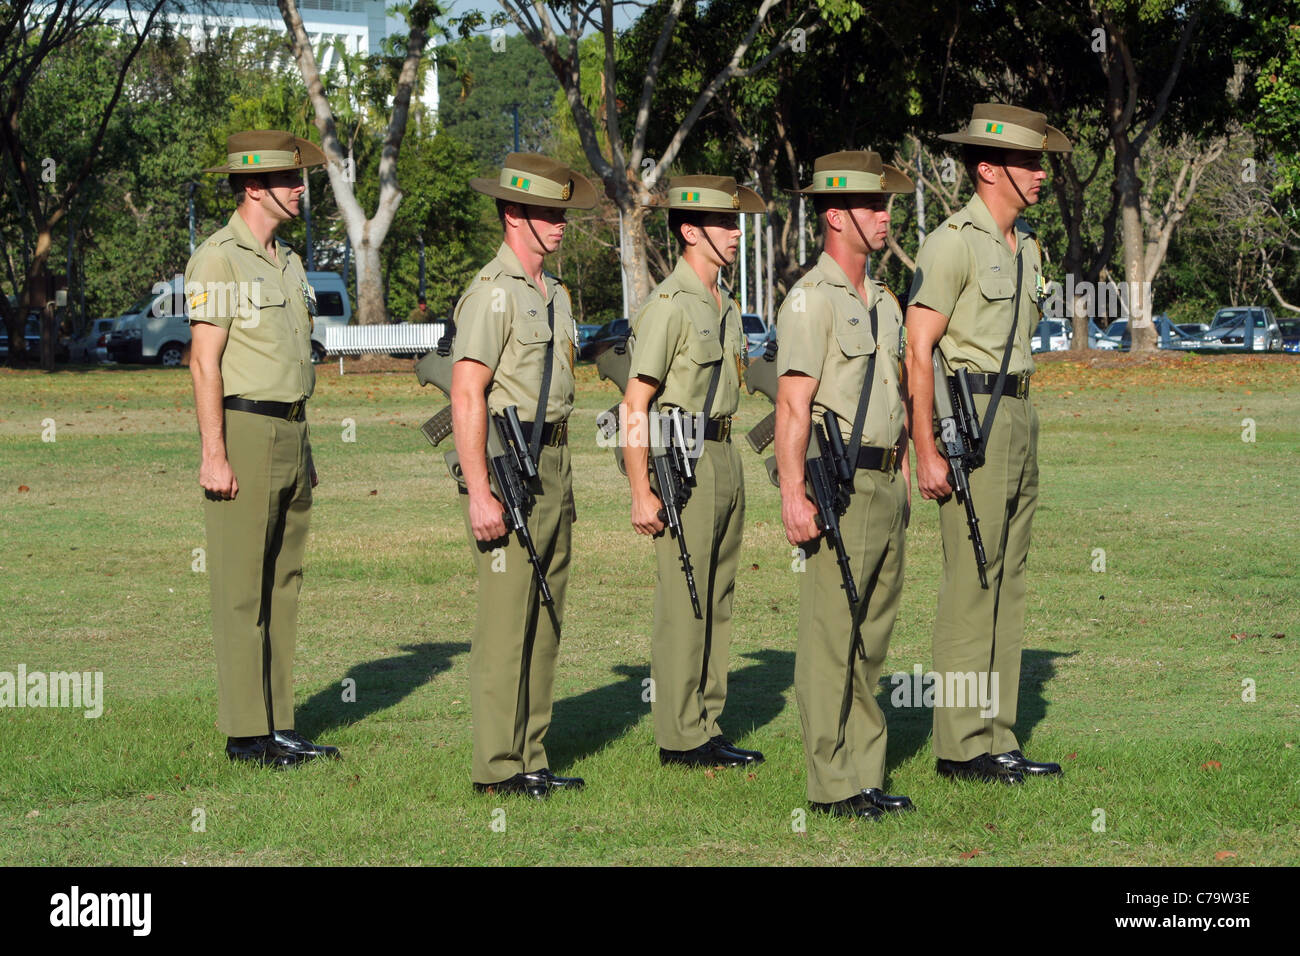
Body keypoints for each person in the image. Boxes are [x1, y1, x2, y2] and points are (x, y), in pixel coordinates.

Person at [905, 104, 1070, 784]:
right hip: (968, 418)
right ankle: (961, 744)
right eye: (1029, 163)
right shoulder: (952, 242)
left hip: (1019, 417)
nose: (1040, 175)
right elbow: (917, 349)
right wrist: (925, 447)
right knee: (972, 580)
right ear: (988, 167)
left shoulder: (1027, 246)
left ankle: (997, 736)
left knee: (1009, 581)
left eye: (1040, 162)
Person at [187, 129, 339, 767]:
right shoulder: (219, 258)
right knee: (241, 586)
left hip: (292, 428)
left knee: (283, 581)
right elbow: (203, 363)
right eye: (289, 180)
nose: (301, 189)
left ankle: (278, 722)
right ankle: (247, 733)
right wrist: (214, 453)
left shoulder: (289, 261)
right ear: (255, 187)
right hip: (245, 430)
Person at [774, 150, 915, 819]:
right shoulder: (809, 299)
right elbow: (792, 405)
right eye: (871, 206)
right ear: (835, 215)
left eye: (886, 205)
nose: (884, 216)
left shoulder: (884, 300)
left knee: (872, 637)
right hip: (839, 485)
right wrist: (793, 495)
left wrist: (909, 464)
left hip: (887, 484)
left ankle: (866, 773)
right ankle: (832, 784)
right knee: (833, 635)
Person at [450, 152, 596, 799]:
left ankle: (532, 756)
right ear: (514, 216)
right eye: (546, 213)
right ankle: (497, 765)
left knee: (546, 613)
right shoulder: (493, 292)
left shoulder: (555, 294)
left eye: (562, 212)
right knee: (508, 620)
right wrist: (479, 491)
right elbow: (466, 393)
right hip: (510, 465)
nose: (559, 224)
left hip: (555, 463)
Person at [622, 175, 766, 769]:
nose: (736, 233)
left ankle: (706, 722)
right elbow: (635, 404)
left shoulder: (725, 304)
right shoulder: (669, 305)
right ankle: (680, 736)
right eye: (725, 224)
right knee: (684, 595)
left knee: (718, 593)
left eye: (737, 223)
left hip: (726, 454)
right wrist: (639, 490)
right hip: (683, 457)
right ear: (689, 231)